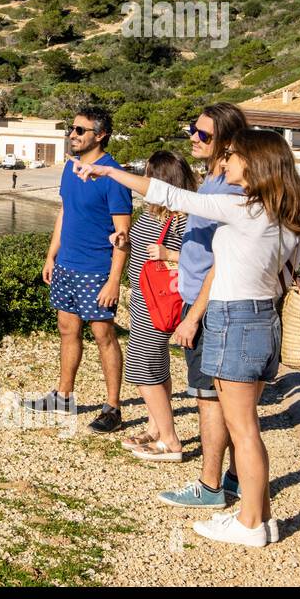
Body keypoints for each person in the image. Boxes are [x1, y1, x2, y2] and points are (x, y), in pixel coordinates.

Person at [74, 128, 300, 547]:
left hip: (235, 319)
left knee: (244, 429)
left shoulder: (242, 209)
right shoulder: (286, 217)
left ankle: (252, 523)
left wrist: (109, 174)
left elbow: (171, 195)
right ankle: (258, 515)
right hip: (263, 320)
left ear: (255, 165)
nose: (225, 161)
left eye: (233, 156)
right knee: (245, 425)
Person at [148, 104, 251, 510]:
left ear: (226, 140)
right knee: (224, 399)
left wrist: (192, 316)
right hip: (205, 301)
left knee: (210, 397)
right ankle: (234, 480)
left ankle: (211, 488)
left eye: (203, 134)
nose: (193, 137)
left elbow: (221, 262)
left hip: (211, 307)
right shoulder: (213, 180)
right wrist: (175, 260)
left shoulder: (228, 186)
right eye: (193, 129)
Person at [24, 105, 134, 432]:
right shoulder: (70, 168)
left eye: (80, 131)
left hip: (96, 269)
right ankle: (63, 396)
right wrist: (51, 255)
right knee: (67, 330)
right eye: (72, 129)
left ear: (100, 136)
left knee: (103, 335)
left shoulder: (113, 177)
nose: (72, 135)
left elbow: (122, 236)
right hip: (67, 266)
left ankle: (113, 407)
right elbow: (64, 213)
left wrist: (115, 280)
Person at [118, 151, 196, 462]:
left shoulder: (185, 217)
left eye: (149, 175)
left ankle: (170, 440)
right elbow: (140, 246)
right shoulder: (154, 212)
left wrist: (169, 255)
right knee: (157, 366)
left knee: (141, 368)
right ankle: (154, 428)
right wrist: (124, 242)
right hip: (142, 298)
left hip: (159, 303)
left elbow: (205, 260)